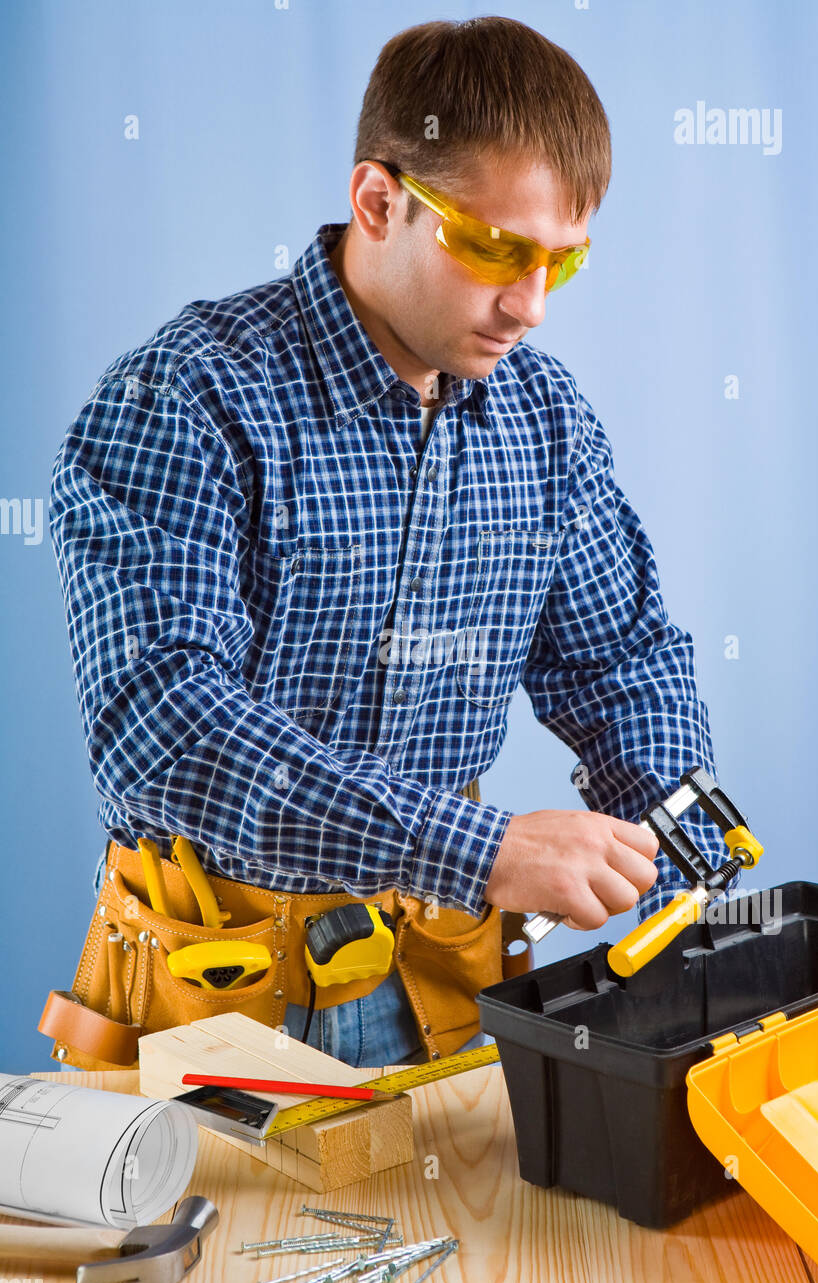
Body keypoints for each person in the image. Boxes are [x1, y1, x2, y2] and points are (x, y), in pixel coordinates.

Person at [50, 17, 731, 1069]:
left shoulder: (542, 420)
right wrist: (486, 849)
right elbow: (165, 730)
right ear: (379, 200)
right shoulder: (183, 399)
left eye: (563, 260)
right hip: (215, 992)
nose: (531, 306)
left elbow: (618, 658)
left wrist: (674, 821)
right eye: (497, 249)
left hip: (449, 983)